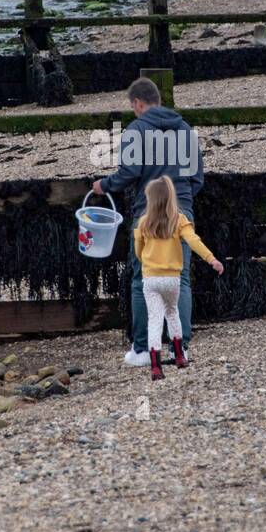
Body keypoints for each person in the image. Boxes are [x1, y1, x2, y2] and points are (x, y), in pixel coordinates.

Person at [93, 76, 204, 367]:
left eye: (133, 107)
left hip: (147, 214)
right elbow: (196, 179)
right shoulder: (185, 130)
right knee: (180, 280)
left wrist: (104, 185)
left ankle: (142, 349)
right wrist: (181, 201)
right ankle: (181, 349)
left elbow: (129, 173)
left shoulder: (135, 130)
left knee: (144, 280)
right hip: (181, 211)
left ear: (138, 103)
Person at [133, 177, 223, 380]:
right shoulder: (179, 220)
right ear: (172, 198)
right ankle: (180, 355)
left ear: (150, 199)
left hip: (151, 279)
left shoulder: (143, 223)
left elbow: (138, 252)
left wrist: (148, 260)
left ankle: (156, 367)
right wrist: (212, 259)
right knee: (172, 313)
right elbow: (193, 241)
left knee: (154, 320)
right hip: (172, 278)